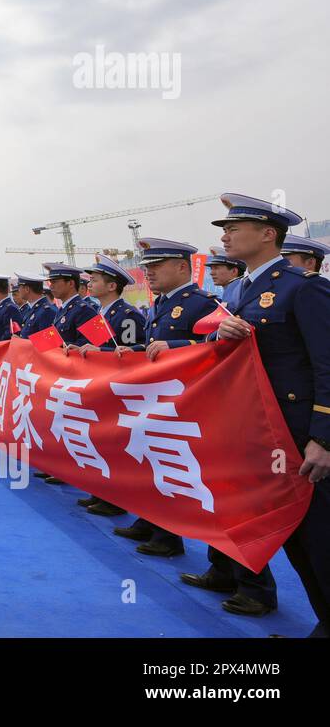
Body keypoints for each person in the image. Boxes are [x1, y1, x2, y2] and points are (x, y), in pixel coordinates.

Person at [208, 194, 330, 631]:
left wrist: (324, 437)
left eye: (233, 228)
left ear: (267, 234)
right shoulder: (242, 290)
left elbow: (326, 363)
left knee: (319, 539)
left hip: (301, 435)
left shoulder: (303, 285)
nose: (224, 236)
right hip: (262, 431)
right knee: (294, 538)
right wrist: (221, 335)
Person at [110, 237, 220, 558]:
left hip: (192, 404)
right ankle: (159, 529)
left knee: (196, 477)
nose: (150, 274)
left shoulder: (202, 303)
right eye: (148, 268)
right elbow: (154, 345)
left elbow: (217, 346)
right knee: (156, 466)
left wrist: (178, 347)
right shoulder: (160, 303)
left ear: (182, 267)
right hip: (161, 401)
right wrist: (134, 351)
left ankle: (236, 576)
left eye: (156, 267)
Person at [74, 254, 147, 517]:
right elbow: (98, 348)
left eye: (94, 280)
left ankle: (118, 500)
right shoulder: (100, 313)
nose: (90, 284)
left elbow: (130, 354)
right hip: (101, 389)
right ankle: (103, 493)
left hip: (120, 392)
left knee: (119, 447)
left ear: (112, 285)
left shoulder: (126, 315)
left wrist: (99, 352)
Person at [15, 273, 56, 338]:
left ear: (27, 289)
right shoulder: (33, 309)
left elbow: (48, 342)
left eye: (19, 287)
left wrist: (22, 342)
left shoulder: (46, 311)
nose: (19, 290)